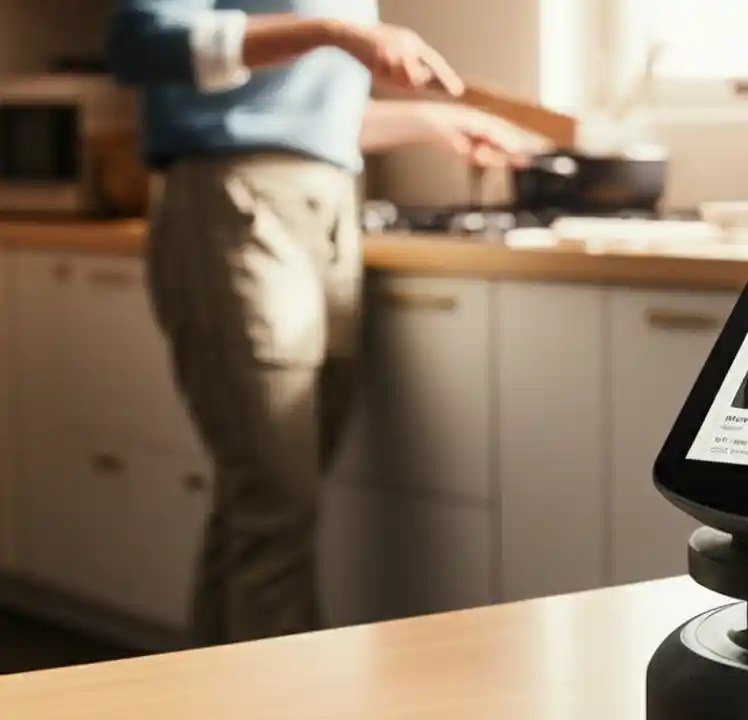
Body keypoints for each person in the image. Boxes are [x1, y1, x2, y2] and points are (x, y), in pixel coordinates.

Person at [106, 1, 529, 645]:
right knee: (272, 502)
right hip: (236, 208)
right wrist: (336, 32)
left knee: (262, 506)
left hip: (327, 208)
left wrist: (432, 120)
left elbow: (286, 114)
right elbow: (140, 45)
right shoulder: (338, 21)